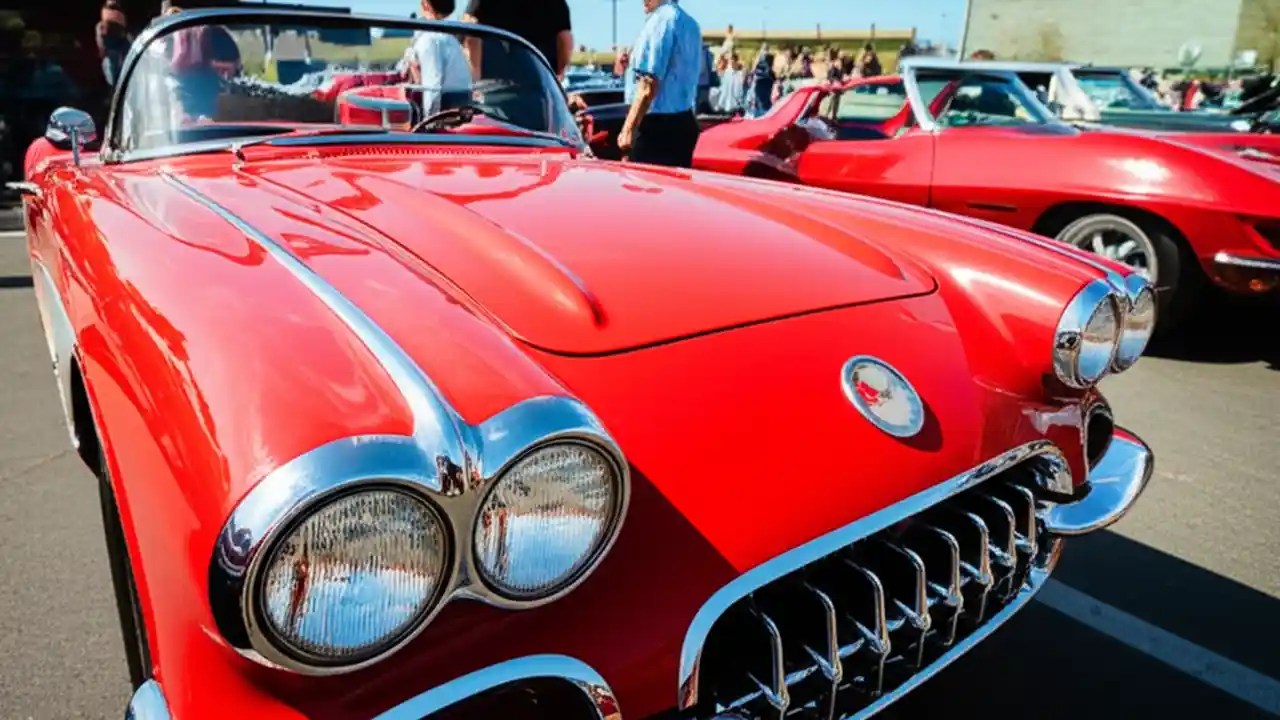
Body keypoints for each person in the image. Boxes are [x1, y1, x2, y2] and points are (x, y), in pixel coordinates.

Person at [618, 0, 703, 167]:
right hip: (684, 121)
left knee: (642, 186)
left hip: (657, 129)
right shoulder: (692, 24)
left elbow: (648, 84)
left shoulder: (661, 21)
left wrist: (628, 129)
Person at [463, 0, 573, 81]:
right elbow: (565, 38)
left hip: (493, 82)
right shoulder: (555, 4)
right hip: (539, 81)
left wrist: (475, 70)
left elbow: (471, 25)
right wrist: (559, 75)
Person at [408, 0, 472, 116]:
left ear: (425, 4)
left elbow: (433, 88)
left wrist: (427, 122)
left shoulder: (429, 40)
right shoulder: (449, 37)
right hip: (461, 105)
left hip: (447, 111)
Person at [96, 1, 131, 88]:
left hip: (121, 44)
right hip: (111, 48)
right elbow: (100, 37)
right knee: (113, 74)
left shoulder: (118, 13)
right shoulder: (101, 26)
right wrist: (102, 49)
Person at [749, 44, 775, 117]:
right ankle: (766, 115)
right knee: (764, 100)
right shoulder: (770, 57)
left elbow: (753, 69)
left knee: (760, 100)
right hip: (766, 80)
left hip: (761, 80)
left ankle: (760, 116)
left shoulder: (760, 57)